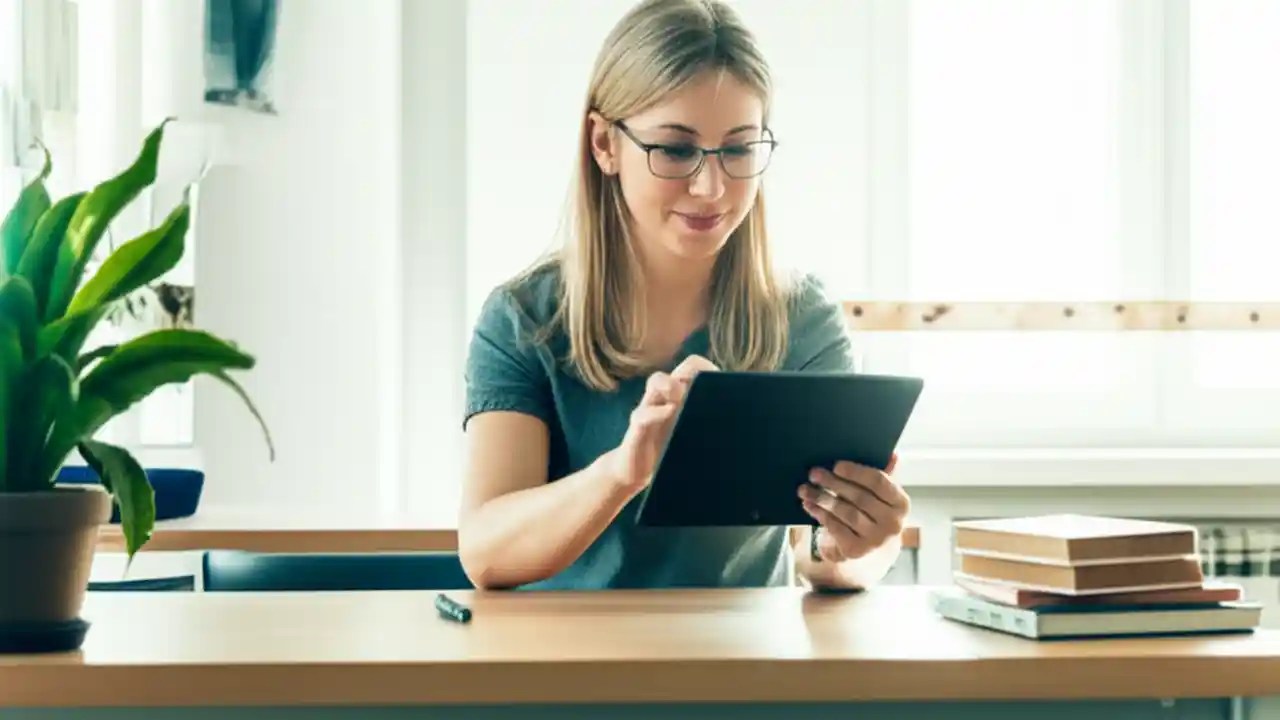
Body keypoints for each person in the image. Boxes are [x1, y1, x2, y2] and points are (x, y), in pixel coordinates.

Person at [457, 0, 911, 591]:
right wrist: (624, 471)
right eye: (675, 150)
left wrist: (863, 543)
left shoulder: (803, 320)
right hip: (563, 672)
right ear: (604, 145)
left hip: (741, 674)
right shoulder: (524, 320)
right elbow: (486, 554)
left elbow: (820, 555)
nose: (711, 187)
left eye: (740, 149)